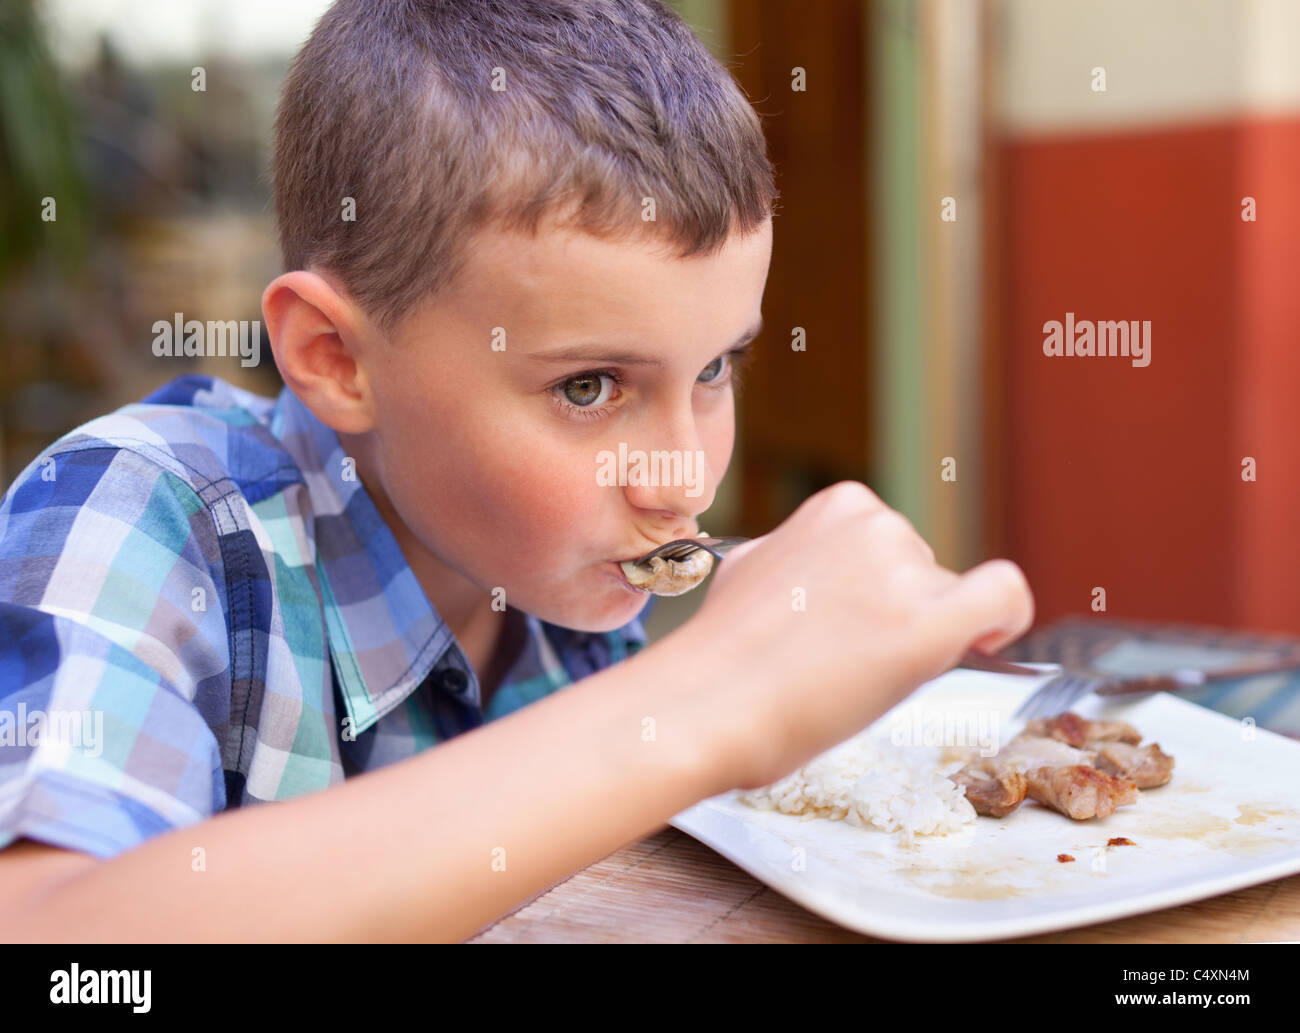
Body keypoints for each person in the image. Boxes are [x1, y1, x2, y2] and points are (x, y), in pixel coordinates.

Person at [0, 0, 1032, 942]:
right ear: (334, 357)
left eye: (715, 367)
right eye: (588, 387)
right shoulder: (144, 515)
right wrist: (708, 696)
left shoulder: (558, 583)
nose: (683, 483)